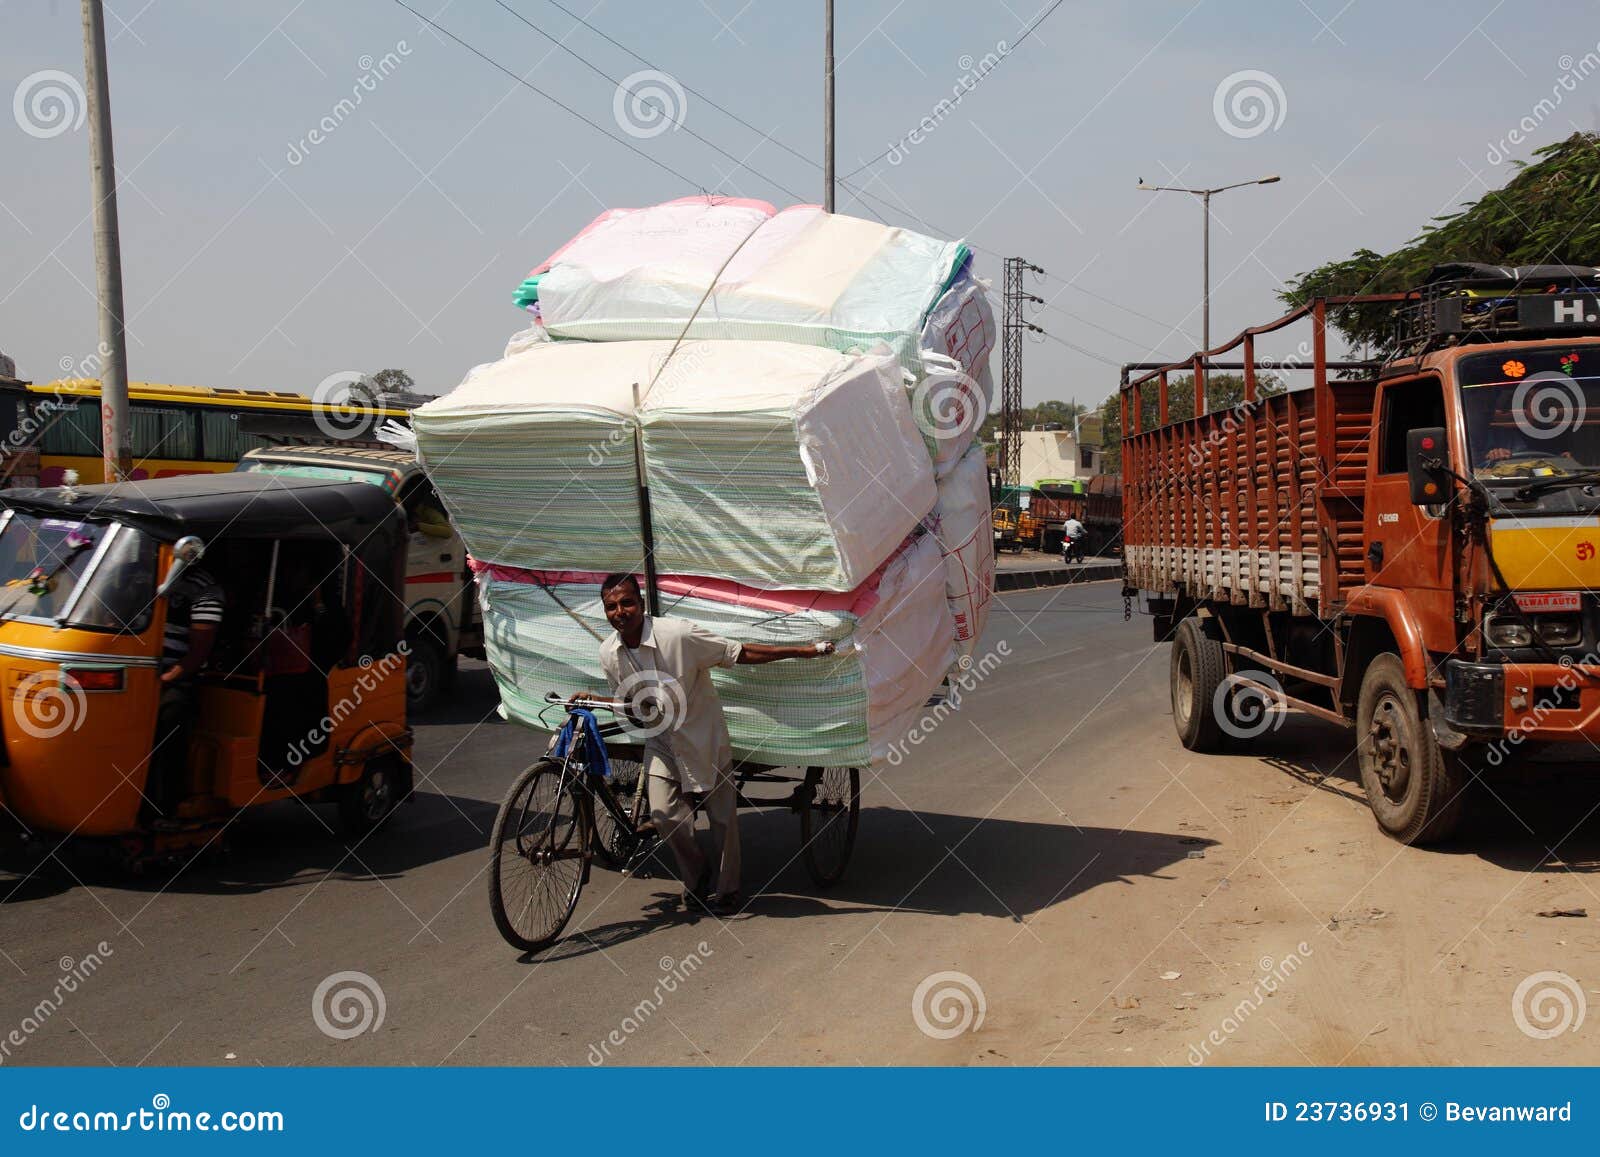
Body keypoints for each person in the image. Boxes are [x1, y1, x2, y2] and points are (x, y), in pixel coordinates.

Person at [587, 573, 836, 917]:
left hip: (703, 735)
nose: (620, 612)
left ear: (642, 604)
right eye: (611, 606)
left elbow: (738, 652)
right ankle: (697, 873)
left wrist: (804, 651)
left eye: (627, 602)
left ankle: (728, 888)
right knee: (663, 816)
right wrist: (596, 701)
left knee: (722, 819)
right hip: (661, 741)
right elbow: (632, 702)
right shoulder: (609, 653)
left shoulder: (678, 635)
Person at [146, 563, 225, 824]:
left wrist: (162, 681)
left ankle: (162, 807)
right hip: (139, 673)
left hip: (176, 679)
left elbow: (197, 655)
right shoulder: (143, 573)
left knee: (169, 719)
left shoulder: (206, 591)